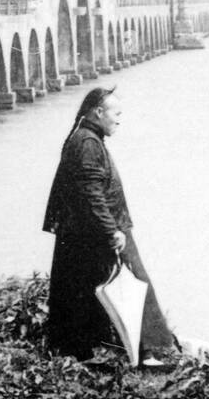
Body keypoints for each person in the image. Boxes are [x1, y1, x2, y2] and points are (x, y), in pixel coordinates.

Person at [42, 86, 179, 365]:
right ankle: (151, 351)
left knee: (82, 292)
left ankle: (88, 351)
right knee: (135, 285)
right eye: (116, 113)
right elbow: (92, 191)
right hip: (105, 230)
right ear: (99, 112)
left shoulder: (85, 138)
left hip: (89, 231)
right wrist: (112, 231)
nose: (119, 119)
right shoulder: (88, 143)